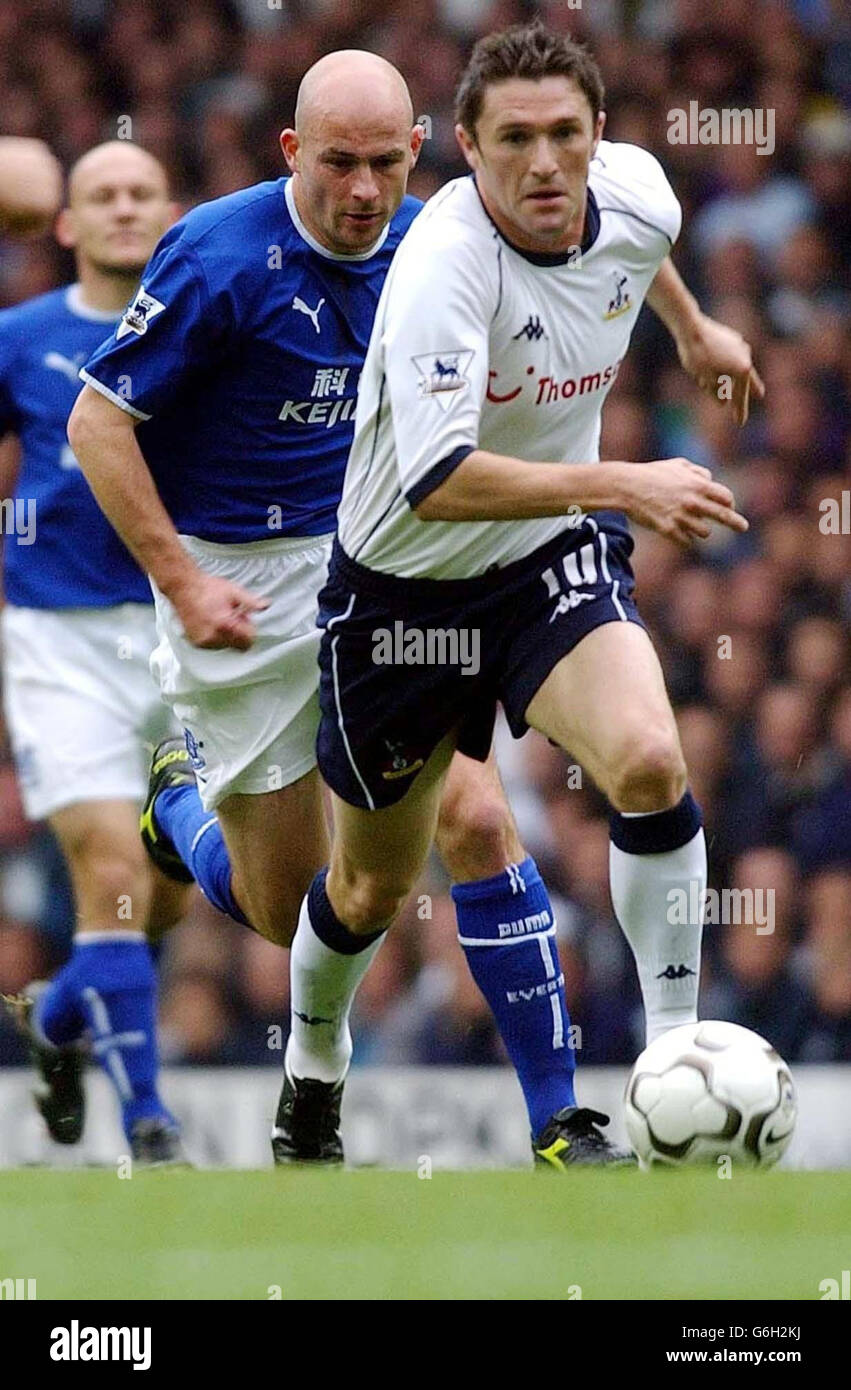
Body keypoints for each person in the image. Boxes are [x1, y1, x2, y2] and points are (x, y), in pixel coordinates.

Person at [68, 50, 633, 1169]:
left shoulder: (439, 248)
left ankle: (559, 1121)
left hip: (384, 566)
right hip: (243, 587)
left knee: (473, 817)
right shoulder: (217, 255)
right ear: (292, 152)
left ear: (416, 152)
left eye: (385, 162)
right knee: (295, 909)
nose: (364, 189)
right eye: (338, 163)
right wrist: (181, 583)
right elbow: (98, 423)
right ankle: (180, 803)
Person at [278, 24, 765, 1159]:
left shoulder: (636, 190)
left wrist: (694, 332)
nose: (543, 164)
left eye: (565, 135)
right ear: (464, 147)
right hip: (398, 596)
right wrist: (622, 480)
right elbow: (437, 480)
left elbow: (640, 248)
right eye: (513, 141)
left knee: (647, 760)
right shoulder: (441, 267)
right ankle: (313, 1061)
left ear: (597, 137)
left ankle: (669, 1064)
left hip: (543, 552)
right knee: (363, 889)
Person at [0, 141, 191, 1164]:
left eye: (140, 193)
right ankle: (150, 1125)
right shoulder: (16, 339)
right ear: (65, 223)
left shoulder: (205, 332)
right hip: (56, 638)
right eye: (100, 194)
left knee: (165, 893)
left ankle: (60, 1019)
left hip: (180, 637)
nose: (122, 208)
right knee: (110, 874)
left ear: (170, 215)